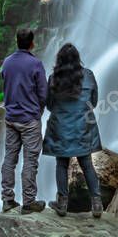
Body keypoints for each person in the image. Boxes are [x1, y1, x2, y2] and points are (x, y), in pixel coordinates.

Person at [43, 43, 104, 218]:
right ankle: (97, 203)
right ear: (78, 59)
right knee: (87, 164)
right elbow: (94, 101)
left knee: (62, 164)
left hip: (61, 126)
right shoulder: (89, 75)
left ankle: (62, 203)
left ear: (59, 61)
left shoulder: (53, 78)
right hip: (83, 126)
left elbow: (49, 104)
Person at [0, 28, 47, 214]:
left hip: (11, 118)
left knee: (9, 158)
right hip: (29, 120)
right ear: (32, 43)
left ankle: (7, 199)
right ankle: (28, 201)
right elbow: (43, 93)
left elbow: (6, 84)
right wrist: (38, 111)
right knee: (30, 160)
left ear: (17, 42)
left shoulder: (7, 62)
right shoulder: (35, 64)